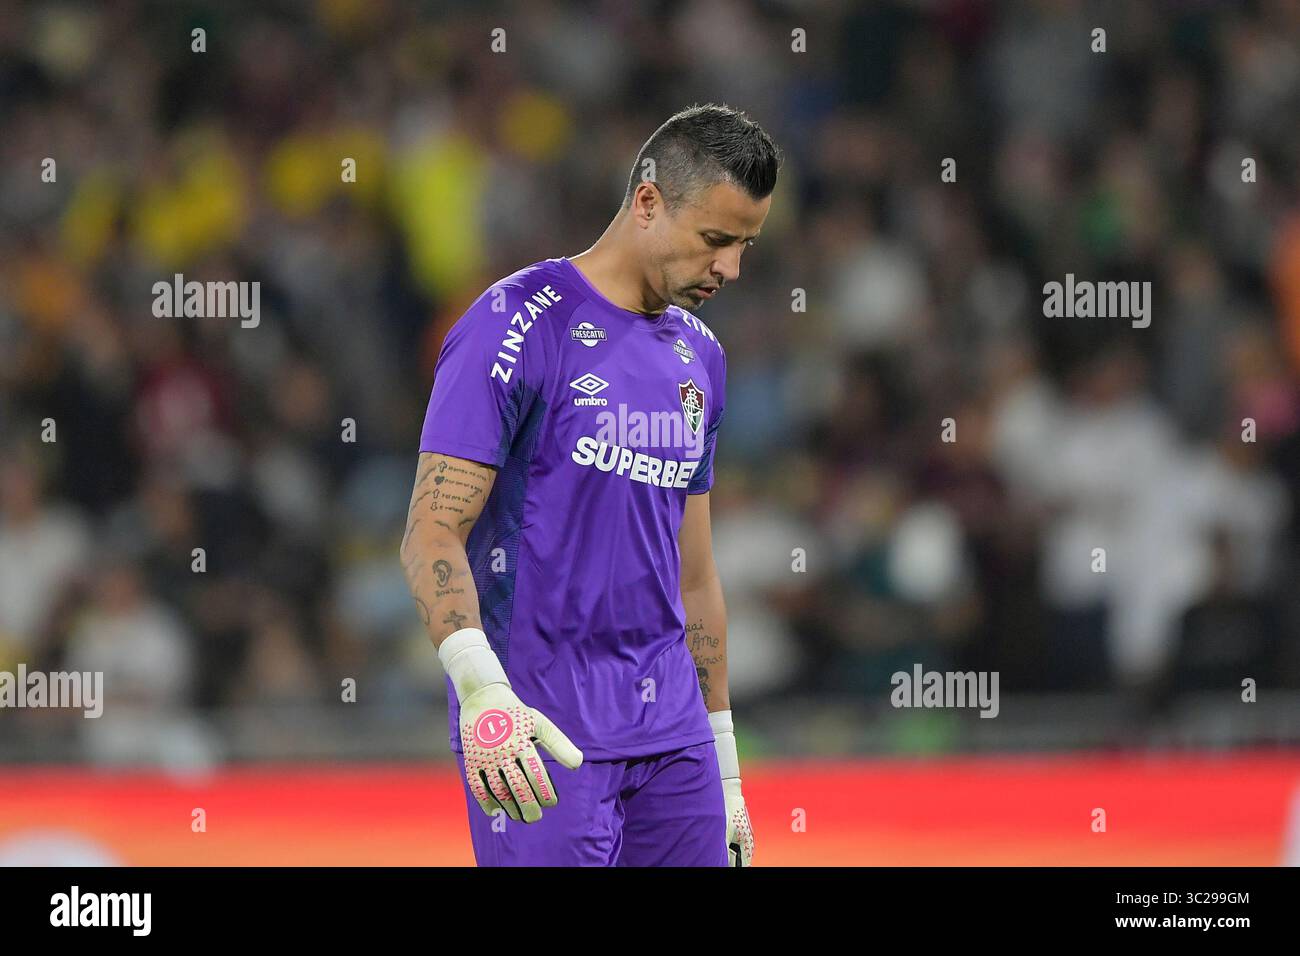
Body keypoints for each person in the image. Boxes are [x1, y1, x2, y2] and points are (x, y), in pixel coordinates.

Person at [401, 103, 781, 866]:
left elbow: (697, 577)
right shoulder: (513, 323)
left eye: (745, 246)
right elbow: (431, 532)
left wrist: (726, 765)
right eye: (715, 240)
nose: (730, 270)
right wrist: (480, 689)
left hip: (674, 736)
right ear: (647, 201)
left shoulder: (701, 356)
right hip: (543, 728)